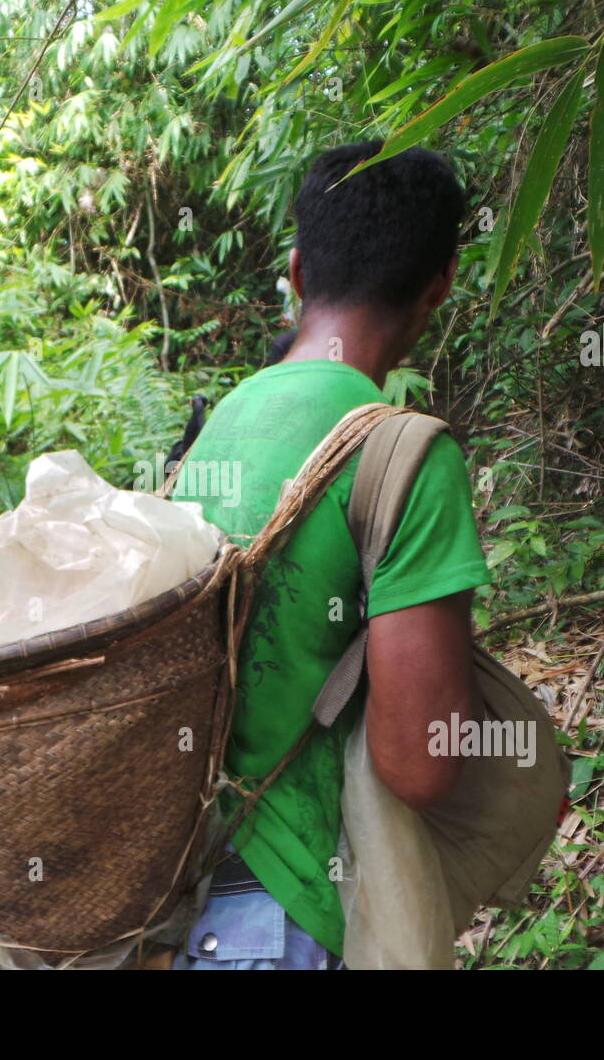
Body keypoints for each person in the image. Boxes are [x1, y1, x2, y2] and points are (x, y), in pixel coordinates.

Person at [169, 141, 490, 970]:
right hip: (287, 920)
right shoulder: (404, 457)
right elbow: (420, 764)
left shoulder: (214, 428)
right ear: (440, 284)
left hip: (172, 897)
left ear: (297, 269)